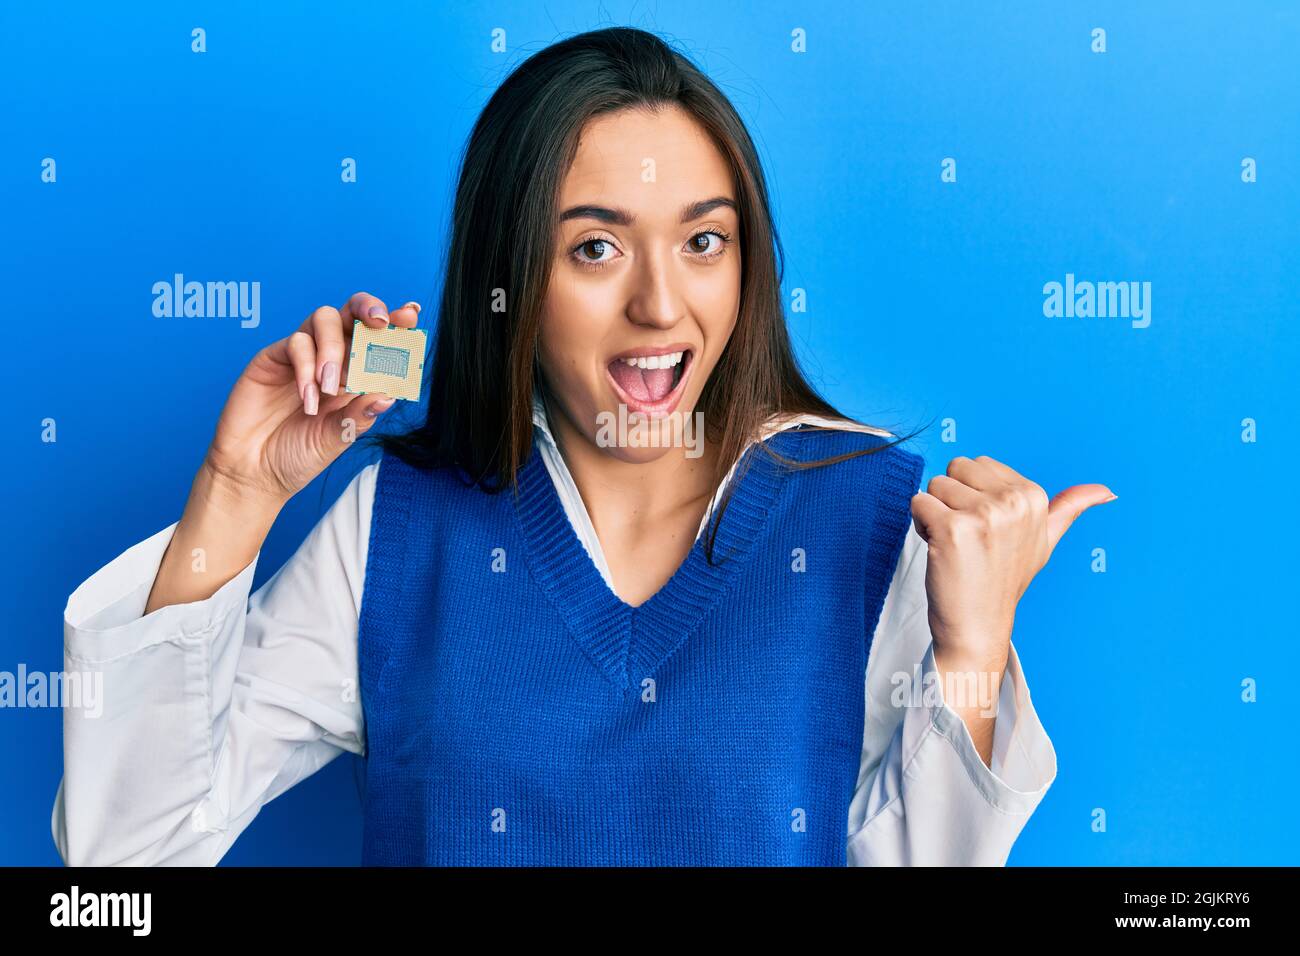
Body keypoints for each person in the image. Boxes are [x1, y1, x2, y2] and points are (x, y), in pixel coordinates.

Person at [53, 26, 1108, 866]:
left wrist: (969, 658)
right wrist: (235, 493)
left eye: (703, 240)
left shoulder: (870, 522)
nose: (660, 302)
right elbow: (122, 855)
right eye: (595, 247)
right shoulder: (397, 529)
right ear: (509, 278)